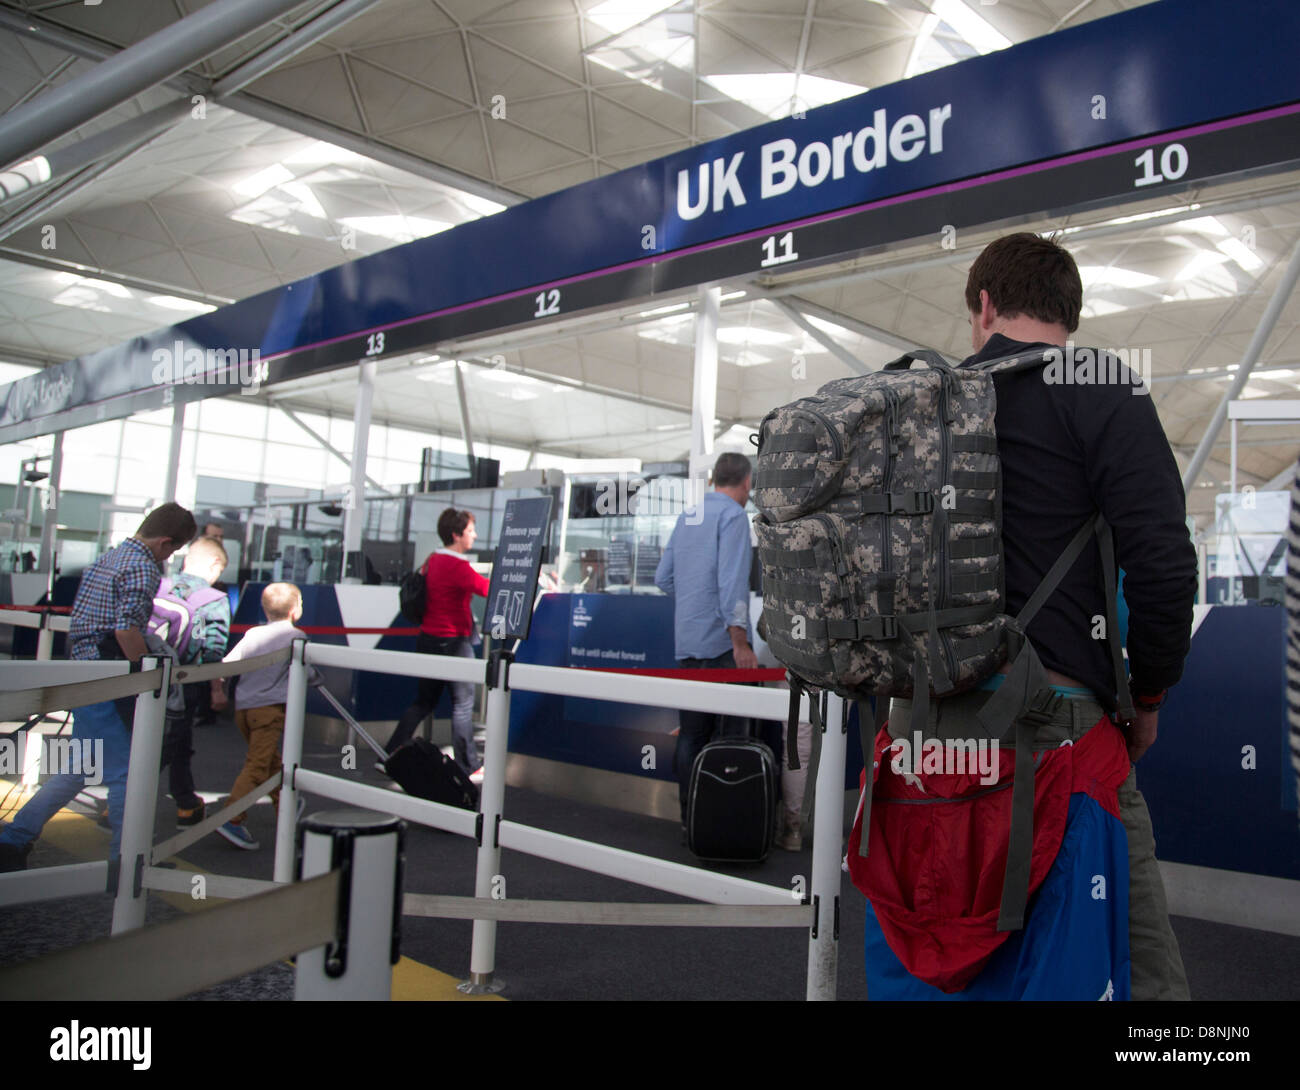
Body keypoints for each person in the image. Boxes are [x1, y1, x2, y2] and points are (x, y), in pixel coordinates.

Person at [947, 231, 1196, 998]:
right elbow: (1161, 564)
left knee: (958, 955)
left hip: (925, 725)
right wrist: (1147, 696)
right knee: (1139, 970)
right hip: (1058, 726)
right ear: (1071, 315)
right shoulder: (1103, 386)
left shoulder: (928, 401)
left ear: (984, 306)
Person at [0, 503, 197, 870]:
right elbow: (126, 629)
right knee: (127, 772)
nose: (169, 557)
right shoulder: (142, 567)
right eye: (172, 549)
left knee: (79, 766)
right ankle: (128, 860)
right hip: (108, 678)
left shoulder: (111, 557)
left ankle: (14, 839)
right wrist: (147, 677)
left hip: (83, 672)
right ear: (165, 541)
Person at [654, 451, 758, 838]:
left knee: (692, 736)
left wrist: (694, 597)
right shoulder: (733, 517)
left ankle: (689, 820)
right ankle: (723, 822)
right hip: (721, 648)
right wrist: (741, 641)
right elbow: (733, 584)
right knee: (731, 738)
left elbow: (663, 579)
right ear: (747, 482)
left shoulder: (688, 515)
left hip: (688, 645)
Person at [388, 508, 487, 781]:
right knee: (463, 705)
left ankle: (390, 752)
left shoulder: (432, 560)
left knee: (423, 702)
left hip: (428, 638)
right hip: (454, 641)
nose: (475, 535)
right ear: (456, 535)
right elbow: (488, 589)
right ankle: (469, 764)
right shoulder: (457, 565)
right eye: (470, 531)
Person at [215, 582, 310, 851]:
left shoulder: (253, 634)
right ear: (295, 610)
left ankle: (286, 805)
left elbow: (228, 665)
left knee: (268, 761)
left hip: (244, 710)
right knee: (257, 765)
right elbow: (306, 670)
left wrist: (218, 691)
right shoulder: (297, 636)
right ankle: (231, 817)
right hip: (270, 711)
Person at [157, 535, 231, 828]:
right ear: (214, 563)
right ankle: (125, 798)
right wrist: (217, 690)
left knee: (175, 740)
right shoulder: (212, 600)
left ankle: (186, 801)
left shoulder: (160, 586)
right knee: (168, 740)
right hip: (185, 682)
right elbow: (212, 649)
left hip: (147, 675)